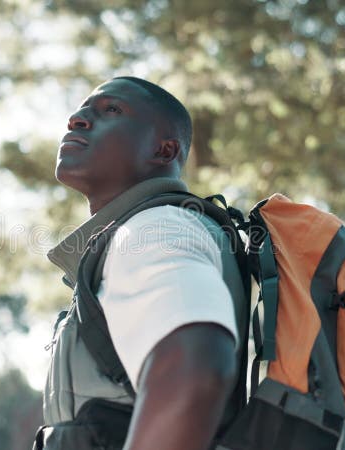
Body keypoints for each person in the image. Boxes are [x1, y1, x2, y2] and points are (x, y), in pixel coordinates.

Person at [36, 76, 248, 450]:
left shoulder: (155, 229)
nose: (76, 119)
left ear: (164, 152)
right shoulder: (145, 232)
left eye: (111, 110)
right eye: (81, 110)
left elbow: (194, 370)